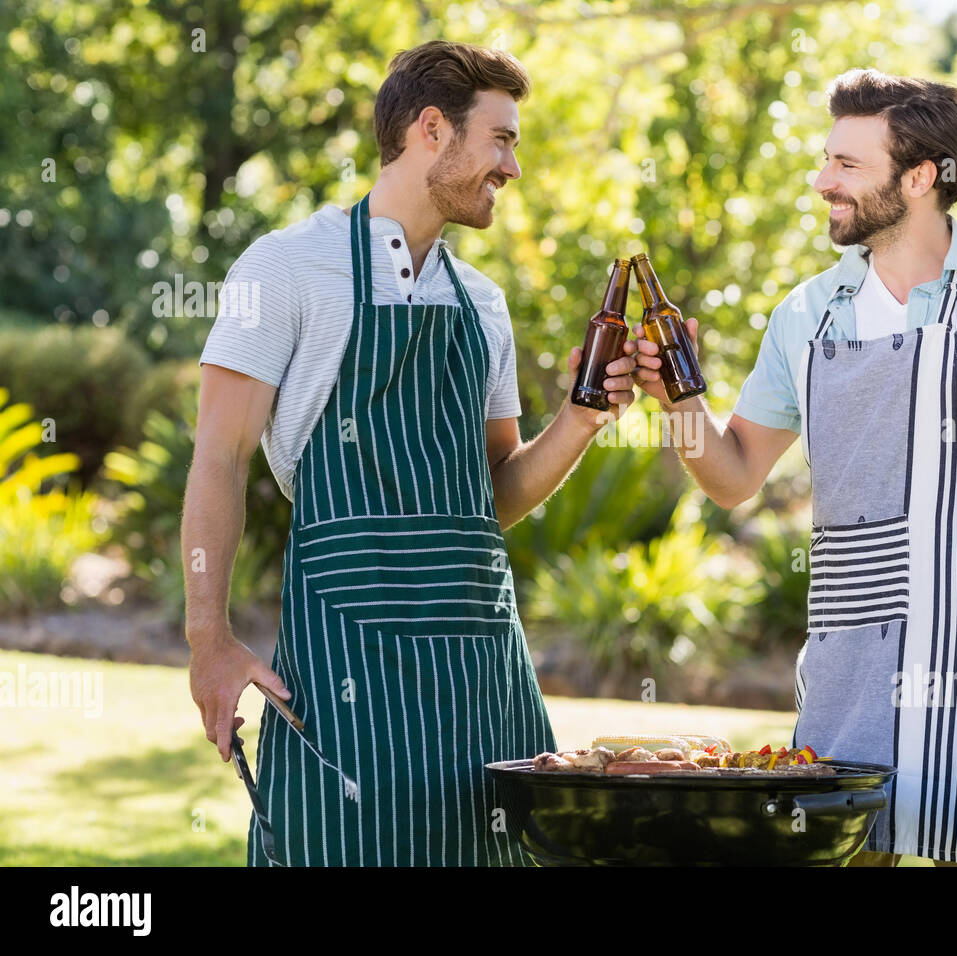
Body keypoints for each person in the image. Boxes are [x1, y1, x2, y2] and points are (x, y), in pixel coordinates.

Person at [632, 68, 957, 866]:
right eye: (828, 160)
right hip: (846, 669)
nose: (823, 181)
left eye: (847, 166)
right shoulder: (804, 314)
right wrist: (676, 400)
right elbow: (735, 473)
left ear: (920, 178)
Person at [182, 40, 637, 866]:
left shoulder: (483, 304)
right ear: (433, 129)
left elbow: (488, 498)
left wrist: (581, 418)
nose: (513, 167)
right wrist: (208, 641)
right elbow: (218, 456)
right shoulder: (286, 268)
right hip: (347, 678)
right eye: (501, 139)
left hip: (483, 683)